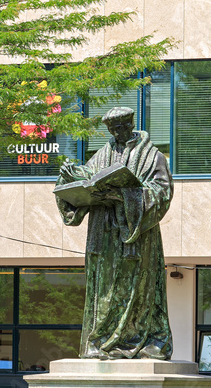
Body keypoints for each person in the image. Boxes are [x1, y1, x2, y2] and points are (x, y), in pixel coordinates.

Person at [55, 106, 173, 359]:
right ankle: (100, 342)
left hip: (136, 236)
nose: (117, 133)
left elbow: (161, 195)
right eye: (112, 129)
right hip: (103, 233)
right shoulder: (101, 155)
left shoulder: (154, 157)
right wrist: (69, 176)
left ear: (131, 125)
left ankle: (141, 341)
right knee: (105, 290)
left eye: (121, 127)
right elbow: (86, 179)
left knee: (138, 287)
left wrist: (122, 196)